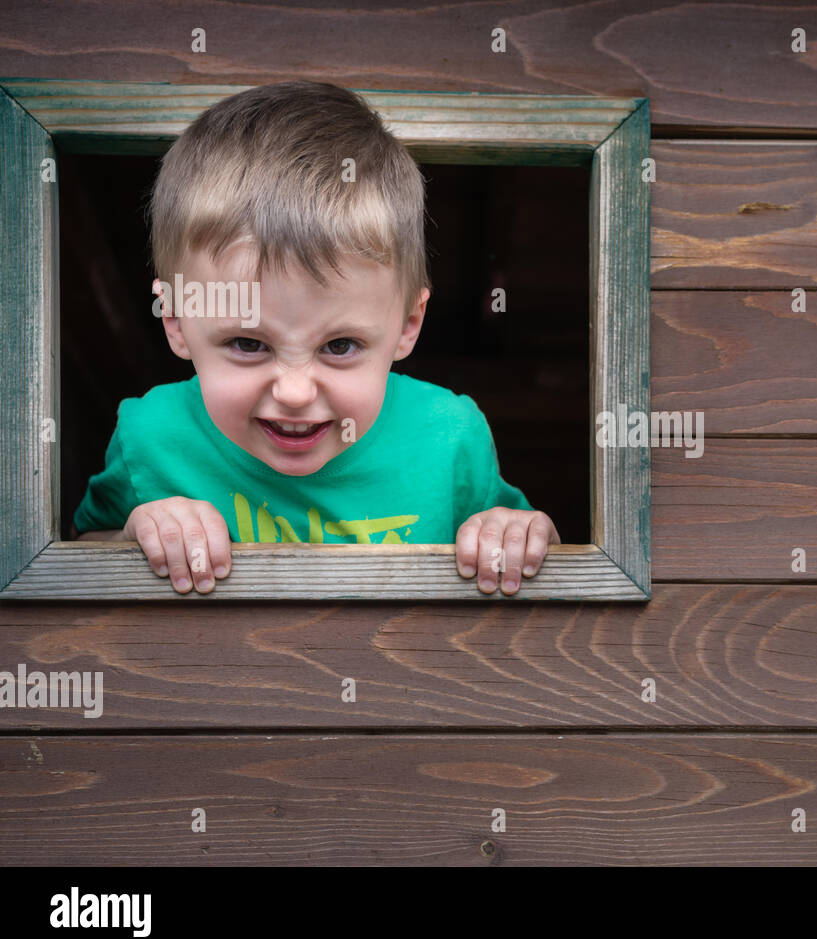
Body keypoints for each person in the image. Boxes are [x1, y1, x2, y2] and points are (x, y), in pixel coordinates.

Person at [73, 81, 560, 596]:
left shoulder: (450, 437)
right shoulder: (150, 437)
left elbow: (534, 554)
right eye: (248, 344)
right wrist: (135, 534)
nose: (295, 392)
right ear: (174, 320)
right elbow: (69, 556)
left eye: (340, 346)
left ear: (407, 325)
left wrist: (515, 533)